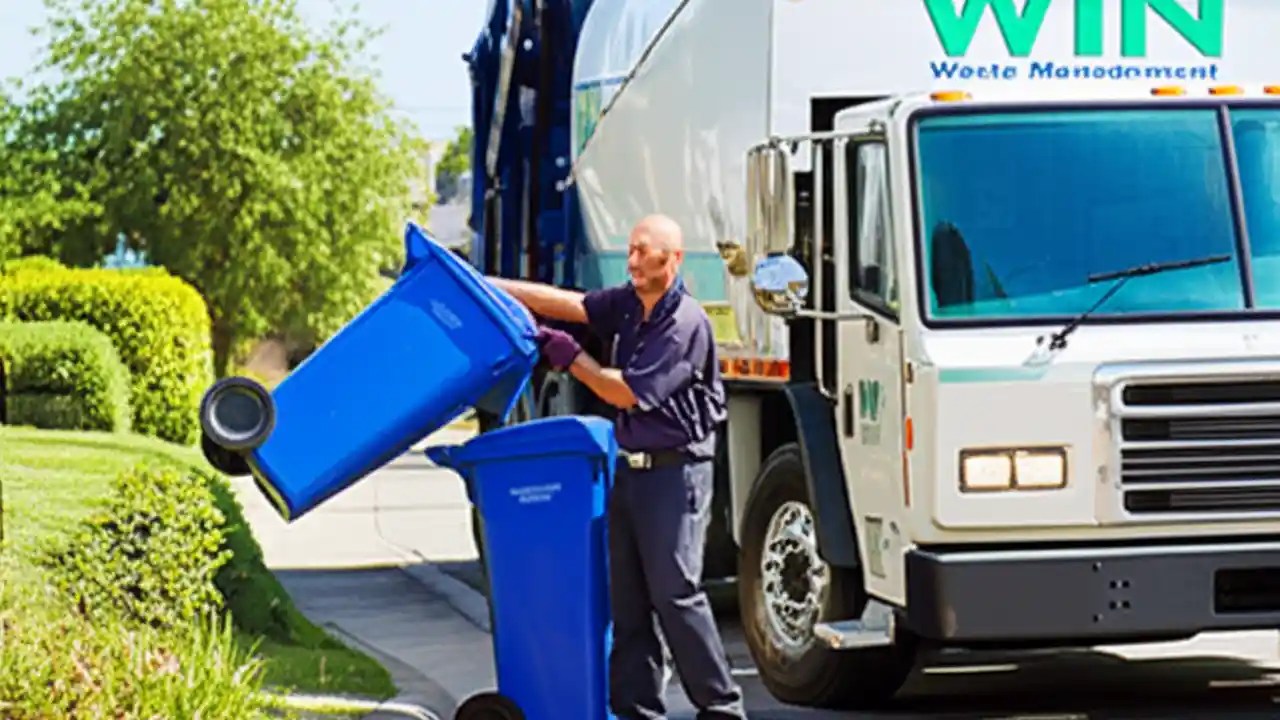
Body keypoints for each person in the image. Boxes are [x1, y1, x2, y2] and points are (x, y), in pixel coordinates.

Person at [488, 214, 746, 719]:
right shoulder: (631, 304)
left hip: (677, 475)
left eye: (641, 252)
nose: (630, 261)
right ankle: (636, 712)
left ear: (672, 260)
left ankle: (722, 709)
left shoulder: (684, 323)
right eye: (629, 249)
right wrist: (492, 287)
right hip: (629, 470)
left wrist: (572, 359)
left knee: (675, 596)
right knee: (627, 603)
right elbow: (573, 304)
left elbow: (626, 392)